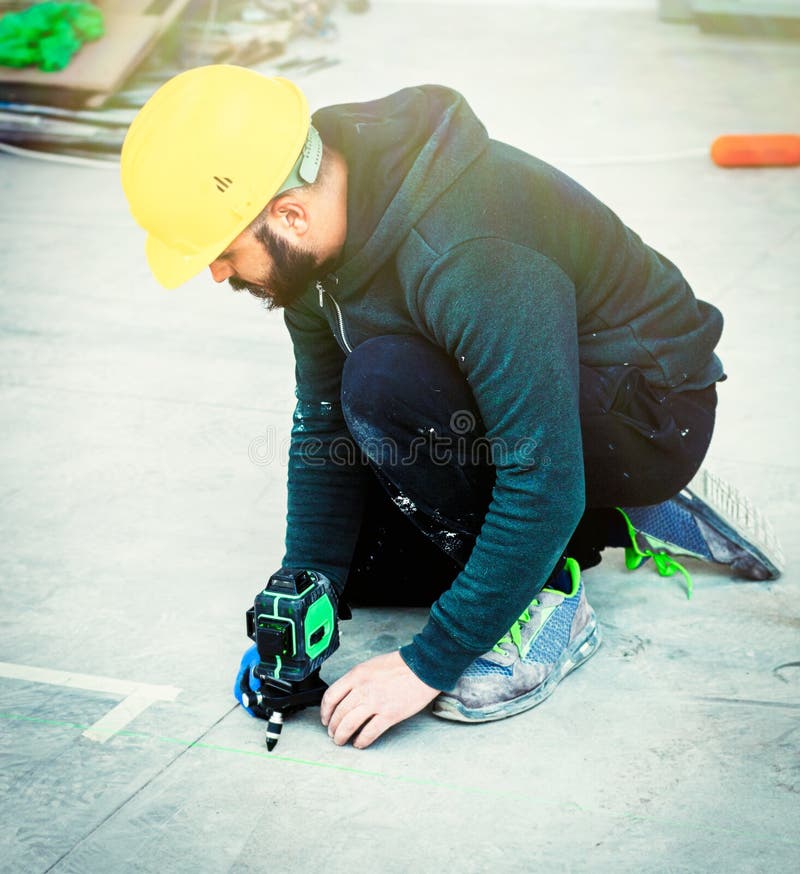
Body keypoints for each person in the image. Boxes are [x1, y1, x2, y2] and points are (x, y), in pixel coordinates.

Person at [120, 65, 784, 750]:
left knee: (384, 385)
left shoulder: (471, 251)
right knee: (370, 569)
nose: (217, 273)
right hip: (533, 388)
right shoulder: (315, 244)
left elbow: (541, 484)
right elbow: (323, 422)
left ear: (289, 214)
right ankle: (598, 509)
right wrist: (306, 586)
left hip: (640, 413)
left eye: (224, 252)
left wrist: (425, 664)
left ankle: (560, 593)